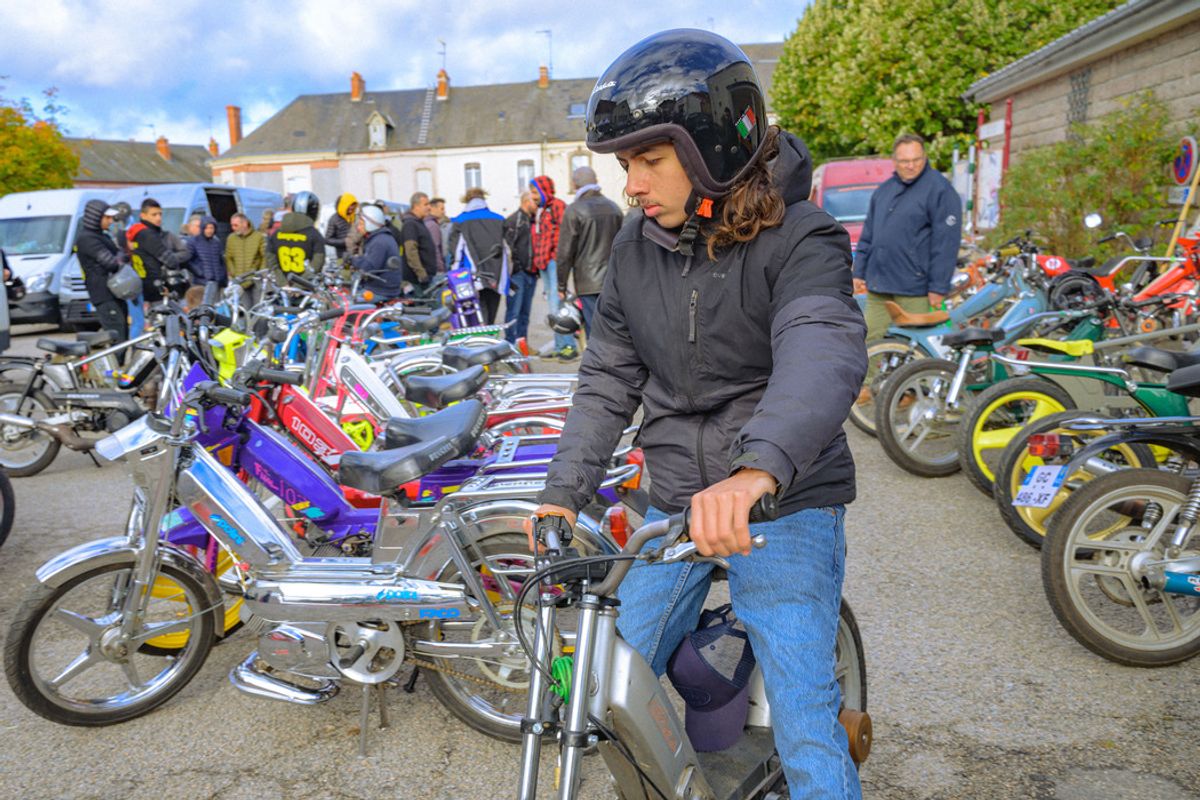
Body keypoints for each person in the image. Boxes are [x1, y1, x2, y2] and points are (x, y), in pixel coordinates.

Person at [530, 30, 866, 797]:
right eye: (625, 166)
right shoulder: (634, 252)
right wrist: (561, 491)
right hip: (675, 504)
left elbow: (823, 350)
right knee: (604, 684)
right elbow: (608, 378)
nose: (633, 185)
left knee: (805, 714)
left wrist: (755, 473)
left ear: (712, 143)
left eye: (649, 160)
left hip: (780, 500)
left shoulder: (803, 239)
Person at [852, 132, 963, 344]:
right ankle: (874, 379)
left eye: (916, 160)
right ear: (894, 161)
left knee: (917, 347)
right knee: (869, 343)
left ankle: (916, 378)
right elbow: (869, 235)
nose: (911, 165)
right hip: (879, 286)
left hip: (915, 289)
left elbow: (946, 244)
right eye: (904, 161)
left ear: (925, 157)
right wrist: (859, 272)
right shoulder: (884, 191)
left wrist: (938, 288)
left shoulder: (940, 190)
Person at [555, 165, 623, 337]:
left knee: (594, 332)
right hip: (614, 279)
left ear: (575, 184)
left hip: (588, 283)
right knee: (615, 329)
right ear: (596, 181)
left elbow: (565, 252)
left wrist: (561, 285)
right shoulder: (614, 208)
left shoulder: (574, 210)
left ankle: (599, 364)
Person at [447, 187, 509, 324]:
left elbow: (456, 253)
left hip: (470, 277)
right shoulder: (499, 220)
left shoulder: (460, 221)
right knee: (491, 318)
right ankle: (490, 340)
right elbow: (508, 249)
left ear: (467, 201)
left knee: (476, 319)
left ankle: (480, 342)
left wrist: (452, 276)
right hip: (497, 276)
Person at [530, 175, 573, 359]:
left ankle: (569, 348)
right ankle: (559, 346)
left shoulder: (558, 206)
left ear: (543, 190)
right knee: (552, 306)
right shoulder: (541, 210)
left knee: (558, 306)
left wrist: (557, 257)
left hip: (554, 262)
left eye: (534, 192)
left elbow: (565, 235)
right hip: (544, 263)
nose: (532, 196)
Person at [75, 200, 129, 341]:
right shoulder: (87, 239)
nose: (111, 221)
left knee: (123, 333)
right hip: (104, 295)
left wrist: (120, 256)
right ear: (96, 217)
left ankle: (120, 363)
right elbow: (112, 263)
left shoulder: (102, 236)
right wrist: (120, 256)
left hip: (115, 292)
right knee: (117, 337)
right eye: (107, 217)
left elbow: (121, 256)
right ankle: (115, 363)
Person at [126, 198, 188, 302]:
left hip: (140, 284)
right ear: (143, 215)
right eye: (154, 215)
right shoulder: (149, 235)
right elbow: (170, 261)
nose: (158, 218)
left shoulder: (134, 234)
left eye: (160, 214)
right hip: (156, 287)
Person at [265, 191, 325, 284]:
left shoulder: (275, 234)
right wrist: (299, 286)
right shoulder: (314, 235)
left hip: (282, 291)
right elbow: (317, 265)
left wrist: (283, 284)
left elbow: (271, 262)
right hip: (305, 290)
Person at [502, 190, 538, 343]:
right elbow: (508, 247)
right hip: (517, 274)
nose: (537, 205)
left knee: (525, 313)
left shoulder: (533, 220)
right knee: (513, 312)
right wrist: (516, 267)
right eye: (534, 202)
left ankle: (523, 344)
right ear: (525, 202)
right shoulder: (514, 220)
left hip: (531, 273)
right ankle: (510, 345)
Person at [349, 204, 403, 301]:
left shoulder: (379, 242)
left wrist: (353, 260)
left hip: (381, 290)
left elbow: (368, 267)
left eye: (361, 224)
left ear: (370, 223)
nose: (358, 228)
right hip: (379, 287)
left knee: (349, 306)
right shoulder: (378, 238)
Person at [400, 192, 438, 285]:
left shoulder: (419, 223)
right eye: (425, 204)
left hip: (426, 276)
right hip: (418, 280)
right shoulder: (410, 225)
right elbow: (411, 252)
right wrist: (422, 274)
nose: (429, 207)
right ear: (416, 206)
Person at [186, 215, 226, 287]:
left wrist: (221, 275)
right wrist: (199, 272)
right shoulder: (194, 241)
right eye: (206, 228)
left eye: (211, 228)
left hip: (217, 282)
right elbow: (188, 261)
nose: (209, 230)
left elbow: (221, 261)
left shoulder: (217, 242)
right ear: (202, 228)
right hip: (201, 282)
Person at [224, 212, 265, 280]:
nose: (233, 228)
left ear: (245, 224)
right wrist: (234, 273)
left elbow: (264, 257)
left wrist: (260, 274)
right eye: (232, 225)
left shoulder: (258, 237)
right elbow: (228, 258)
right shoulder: (231, 238)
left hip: (254, 280)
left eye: (236, 225)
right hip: (238, 280)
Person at [325, 193, 358, 260]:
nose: (351, 208)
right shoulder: (334, 219)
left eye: (353, 205)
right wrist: (345, 242)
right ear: (344, 205)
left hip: (358, 255)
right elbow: (327, 239)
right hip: (343, 256)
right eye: (350, 206)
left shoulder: (356, 217)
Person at [426, 197, 448, 269]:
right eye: (442, 209)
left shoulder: (425, 223)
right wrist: (441, 267)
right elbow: (435, 249)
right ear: (432, 208)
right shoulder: (432, 225)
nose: (443, 212)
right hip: (436, 268)